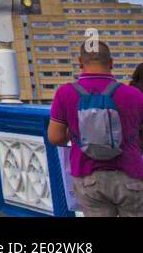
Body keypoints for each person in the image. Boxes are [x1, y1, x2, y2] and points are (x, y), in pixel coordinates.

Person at [47, 40, 143, 216]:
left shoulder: (65, 93)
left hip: (88, 175)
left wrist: (81, 131)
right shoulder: (134, 94)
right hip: (131, 174)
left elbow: (55, 137)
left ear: (80, 62)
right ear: (112, 63)